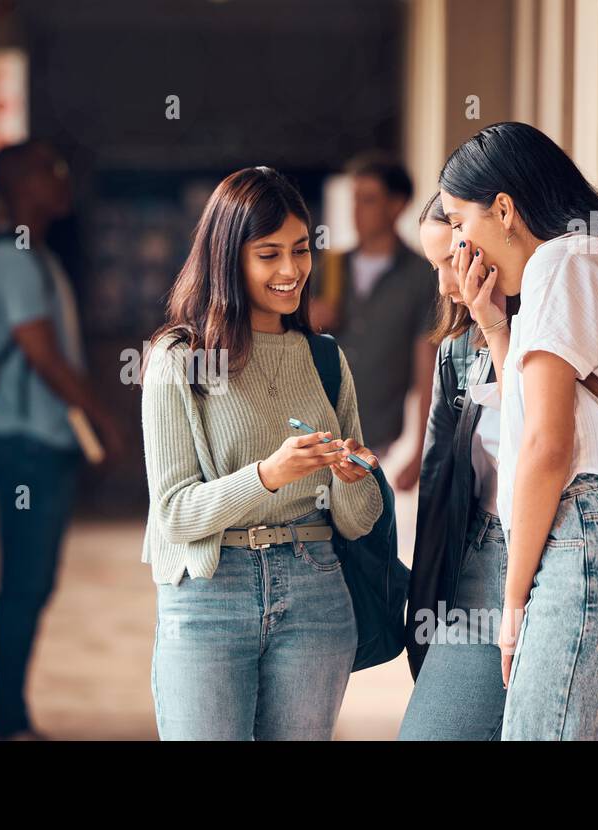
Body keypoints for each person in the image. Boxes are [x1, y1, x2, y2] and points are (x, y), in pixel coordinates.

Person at [439, 122, 598, 740]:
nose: (459, 248)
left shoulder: (560, 265)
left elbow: (547, 448)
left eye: (459, 223)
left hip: (585, 557)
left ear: (504, 208)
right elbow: (530, 414)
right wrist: (494, 324)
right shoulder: (592, 261)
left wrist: (513, 603)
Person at [140, 166, 382, 740]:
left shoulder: (323, 357)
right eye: (268, 254)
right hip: (208, 596)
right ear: (229, 259)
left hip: (316, 588)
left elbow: (361, 518)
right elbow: (173, 513)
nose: (291, 270)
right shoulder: (179, 359)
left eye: (301, 250)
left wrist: (350, 477)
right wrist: (268, 476)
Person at [0, 139, 123, 741]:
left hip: (40, 442)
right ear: (20, 185)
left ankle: (11, 714)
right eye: (49, 170)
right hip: (24, 445)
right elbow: (41, 354)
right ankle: (6, 720)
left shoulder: (36, 256)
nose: (62, 179)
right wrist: (103, 418)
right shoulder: (13, 259)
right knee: (24, 580)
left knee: (33, 581)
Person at [398, 192, 511, 740]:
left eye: (451, 260)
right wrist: (427, 611)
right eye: (434, 266)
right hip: (484, 565)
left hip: (573, 560)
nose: (444, 285)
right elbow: (440, 491)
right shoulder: (457, 350)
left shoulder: (562, 315)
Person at [311, 153, 438, 490]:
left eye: (368, 200)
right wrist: (310, 318)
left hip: (381, 441)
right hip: (316, 434)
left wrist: (420, 449)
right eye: (354, 199)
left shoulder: (424, 277)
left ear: (398, 206)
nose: (356, 211)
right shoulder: (329, 268)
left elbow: (428, 365)